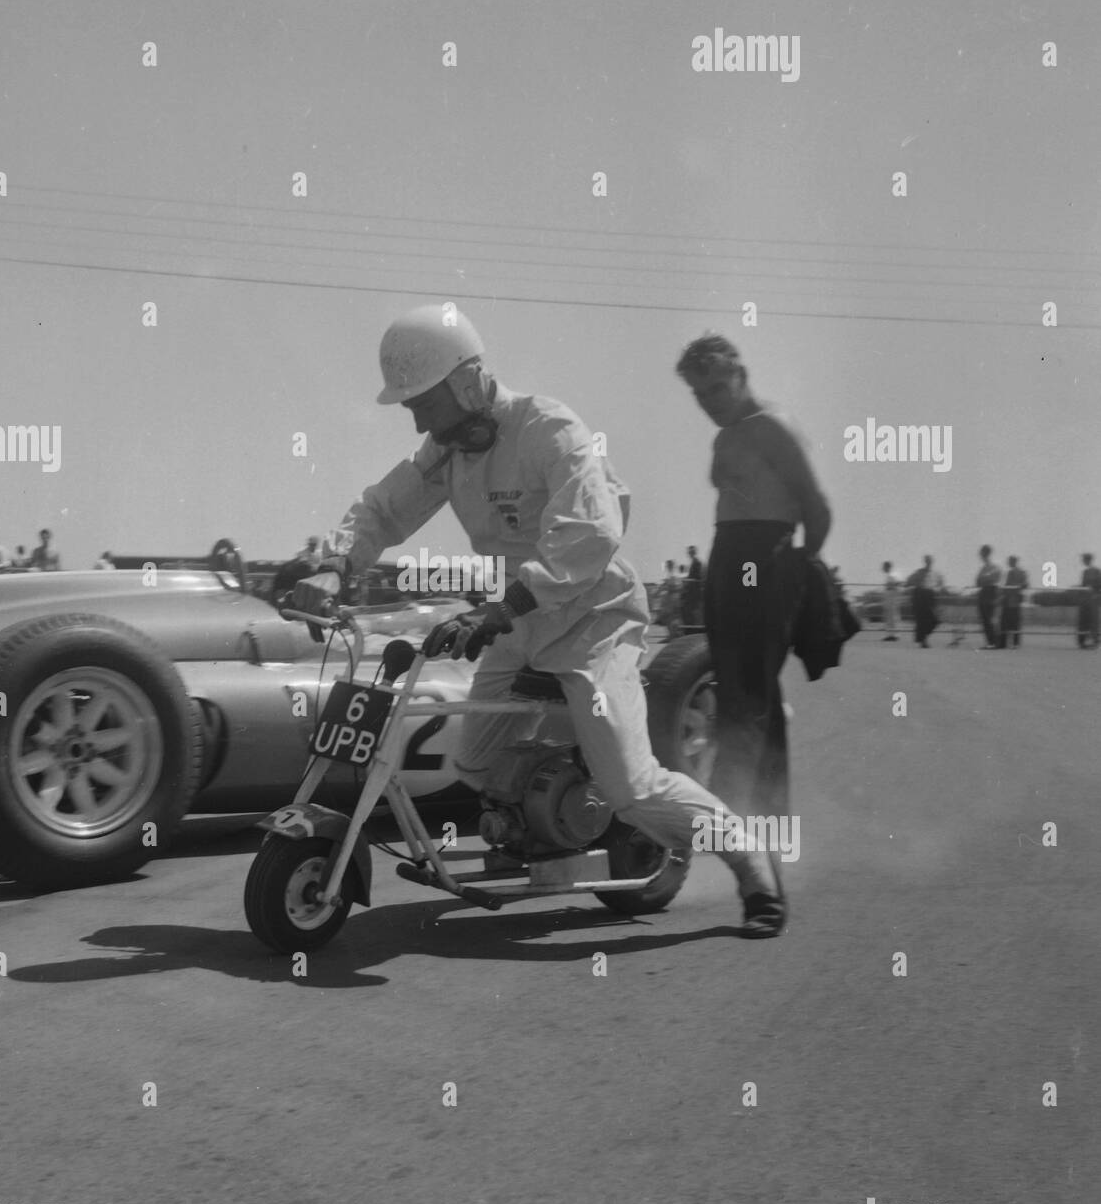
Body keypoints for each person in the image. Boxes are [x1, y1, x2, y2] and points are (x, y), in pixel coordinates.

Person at [294, 304, 786, 936]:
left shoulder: (550, 429)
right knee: (475, 763)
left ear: (467, 381)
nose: (418, 421)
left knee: (632, 790)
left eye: (424, 404)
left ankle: (749, 860)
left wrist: (503, 609)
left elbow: (589, 534)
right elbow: (385, 509)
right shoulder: (448, 448)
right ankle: (557, 814)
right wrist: (335, 565)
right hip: (517, 623)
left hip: (593, 620)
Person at [675, 333, 831, 829]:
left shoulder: (772, 426)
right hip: (728, 557)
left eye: (718, 389)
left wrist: (798, 565)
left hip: (764, 557)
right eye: (699, 394)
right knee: (736, 685)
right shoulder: (726, 435)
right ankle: (759, 820)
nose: (709, 402)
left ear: (742, 377)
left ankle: (745, 815)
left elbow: (816, 505)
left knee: (751, 691)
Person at [907, 555, 943, 646]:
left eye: (930, 561)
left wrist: (937, 590)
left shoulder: (935, 573)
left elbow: (940, 583)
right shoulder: (919, 572)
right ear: (925, 562)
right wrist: (914, 585)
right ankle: (923, 640)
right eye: (927, 561)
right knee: (922, 619)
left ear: (932, 562)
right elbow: (909, 581)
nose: (928, 562)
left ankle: (922, 637)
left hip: (930, 595)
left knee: (935, 620)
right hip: (920, 595)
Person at [975, 545, 1002, 650]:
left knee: (989, 617)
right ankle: (991, 642)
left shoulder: (994, 566)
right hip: (984, 592)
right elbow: (978, 581)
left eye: (982, 553)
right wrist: (985, 579)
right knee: (985, 618)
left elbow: (994, 578)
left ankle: (994, 642)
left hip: (990, 591)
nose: (981, 556)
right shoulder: (984, 567)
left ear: (986, 553)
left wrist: (985, 579)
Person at [999, 555, 1027, 649]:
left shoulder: (1013, 572)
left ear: (1012, 562)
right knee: (1014, 622)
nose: (1008, 563)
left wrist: (1004, 593)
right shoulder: (1021, 572)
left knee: (1006, 622)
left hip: (1010, 600)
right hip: (1014, 600)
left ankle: (1004, 643)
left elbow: (1008, 585)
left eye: (1010, 561)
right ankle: (1015, 643)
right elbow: (1025, 585)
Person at [1079, 553, 1101, 650]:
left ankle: (1095, 641)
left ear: (1088, 560)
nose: (1083, 561)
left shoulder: (1096, 571)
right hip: (1086, 599)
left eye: (1084, 559)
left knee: (1094, 620)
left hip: (1093, 599)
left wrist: (1096, 593)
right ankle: (1083, 641)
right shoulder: (1085, 572)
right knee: (1084, 620)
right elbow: (1083, 585)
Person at [680, 545, 704, 628]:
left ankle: (693, 625)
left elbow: (697, 577)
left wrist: (687, 581)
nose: (689, 553)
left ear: (694, 552)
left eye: (691, 552)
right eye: (689, 552)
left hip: (694, 590)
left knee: (692, 608)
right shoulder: (693, 562)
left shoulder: (697, 562)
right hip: (691, 589)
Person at [881, 561, 901, 640]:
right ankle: (891, 635)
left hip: (892, 599)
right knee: (890, 617)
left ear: (888, 567)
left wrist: (891, 587)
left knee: (892, 617)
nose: (883, 569)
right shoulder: (889, 576)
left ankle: (893, 635)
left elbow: (897, 585)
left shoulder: (892, 575)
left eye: (884, 567)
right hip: (889, 599)